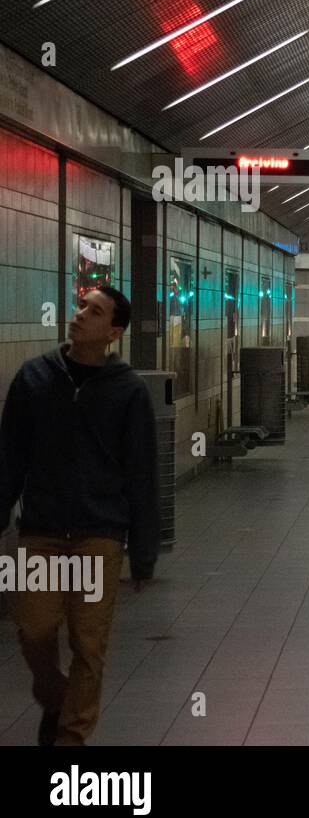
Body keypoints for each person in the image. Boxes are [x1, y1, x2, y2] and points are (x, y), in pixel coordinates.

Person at [0, 286, 161, 745]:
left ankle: (70, 738)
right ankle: (55, 697)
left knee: (88, 643)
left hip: (99, 534)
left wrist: (143, 553)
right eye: (81, 306)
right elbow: (9, 456)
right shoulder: (34, 378)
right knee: (33, 630)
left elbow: (141, 474)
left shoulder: (128, 392)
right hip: (41, 531)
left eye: (95, 311)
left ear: (113, 332)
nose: (80, 315)